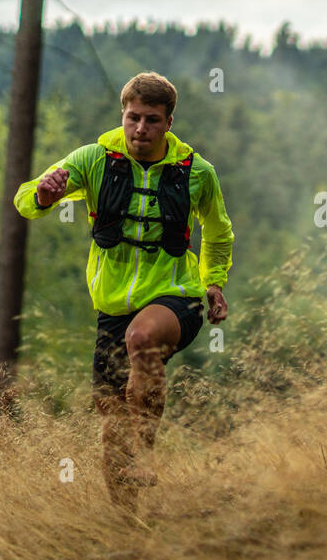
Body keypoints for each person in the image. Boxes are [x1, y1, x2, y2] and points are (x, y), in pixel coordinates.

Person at [14, 71, 233, 512]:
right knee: (111, 423)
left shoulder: (196, 172)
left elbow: (218, 230)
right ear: (123, 114)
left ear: (169, 122)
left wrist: (214, 281)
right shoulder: (94, 159)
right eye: (133, 117)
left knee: (143, 339)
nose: (140, 129)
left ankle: (144, 453)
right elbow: (24, 201)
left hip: (176, 295)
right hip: (112, 307)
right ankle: (129, 525)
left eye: (152, 120)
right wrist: (42, 195)